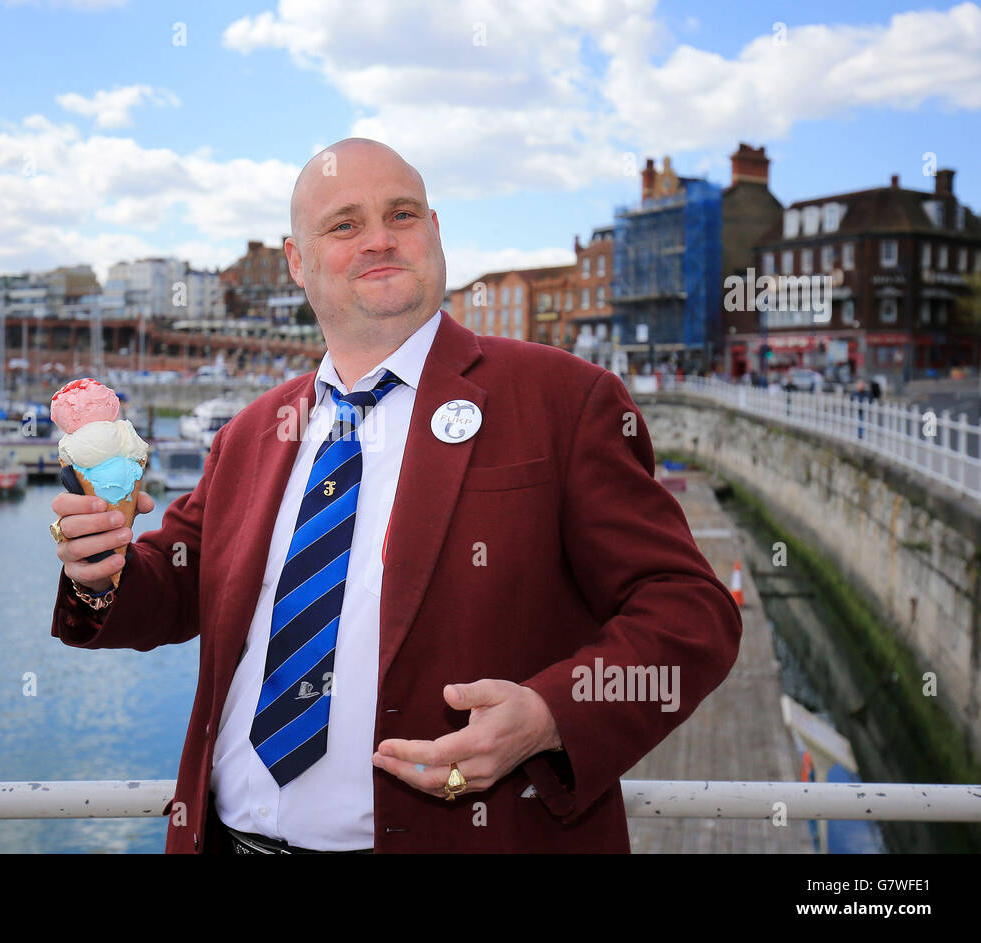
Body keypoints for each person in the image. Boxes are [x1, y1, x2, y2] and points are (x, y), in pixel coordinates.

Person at [48, 138, 741, 853]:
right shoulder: (252, 432)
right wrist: (102, 573)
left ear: (435, 233)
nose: (379, 238)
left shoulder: (565, 399)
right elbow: (170, 586)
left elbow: (691, 610)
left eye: (401, 214)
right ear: (297, 262)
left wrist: (550, 713)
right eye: (344, 224)